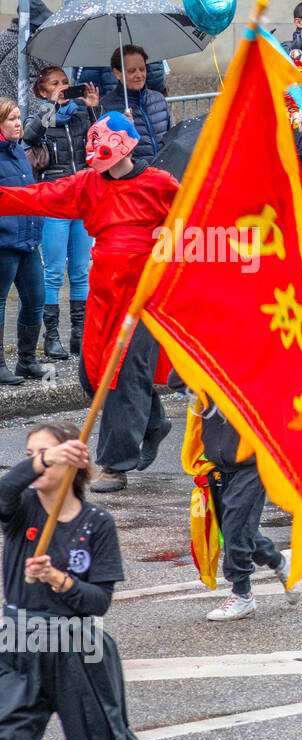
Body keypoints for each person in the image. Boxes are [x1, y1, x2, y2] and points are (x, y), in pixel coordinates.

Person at [0, 112, 179, 493]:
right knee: (93, 374)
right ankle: (153, 422)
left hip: (145, 297)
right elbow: (40, 195)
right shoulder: (87, 184)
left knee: (125, 373)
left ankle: (114, 465)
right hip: (103, 292)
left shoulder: (161, 185)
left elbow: (194, 225)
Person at [0, 422, 141, 740]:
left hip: (77, 647)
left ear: (74, 460)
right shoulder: (21, 509)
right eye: (33, 455)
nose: (40, 462)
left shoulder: (97, 523)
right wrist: (44, 459)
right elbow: (3, 490)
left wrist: (58, 579)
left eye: (49, 454)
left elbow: (99, 601)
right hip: (19, 643)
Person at [179, 389, 300, 621]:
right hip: (216, 460)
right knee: (233, 526)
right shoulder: (207, 359)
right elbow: (176, 379)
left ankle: (242, 594)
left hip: (255, 460)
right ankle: (279, 561)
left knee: (235, 524)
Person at [24, 67, 97, 362]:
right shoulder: (42, 116)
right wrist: (52, 106)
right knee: (53, 272)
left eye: (65, 83)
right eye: (55, 84)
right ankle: (51, 337)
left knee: (81, 271)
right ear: (42, 91)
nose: (63, 88)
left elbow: (99, 145)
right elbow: (29, 136)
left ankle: (79, 334)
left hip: (82, 199)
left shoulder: (80, 115)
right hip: (55, 202)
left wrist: (93, 110)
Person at [0, 98, 50, 385]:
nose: (18, 123)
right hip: (4, 242)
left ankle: (27, 361)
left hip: (29, 239)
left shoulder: (19, 150)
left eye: (19, 117)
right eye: (11, 119)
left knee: (35, 300)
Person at [100, 46, 170, 166]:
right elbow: (105, 155)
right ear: (117, 73)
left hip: (163, 175)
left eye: (142, 69)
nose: (139, 75)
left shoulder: (159, 99)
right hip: (134, 179)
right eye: (132, 71)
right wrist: (123, 132)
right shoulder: (106, 107)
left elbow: (170, 139)